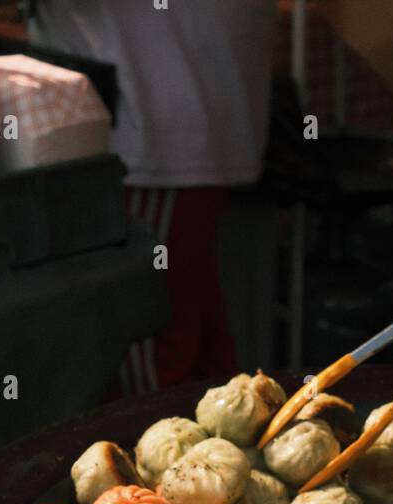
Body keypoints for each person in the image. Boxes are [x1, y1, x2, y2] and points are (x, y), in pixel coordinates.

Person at [29, 0, 276, 393]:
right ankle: (223, 437)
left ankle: (155, 444)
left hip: (152, 136)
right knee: (193, 323)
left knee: (146, 341)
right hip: (180, 124)